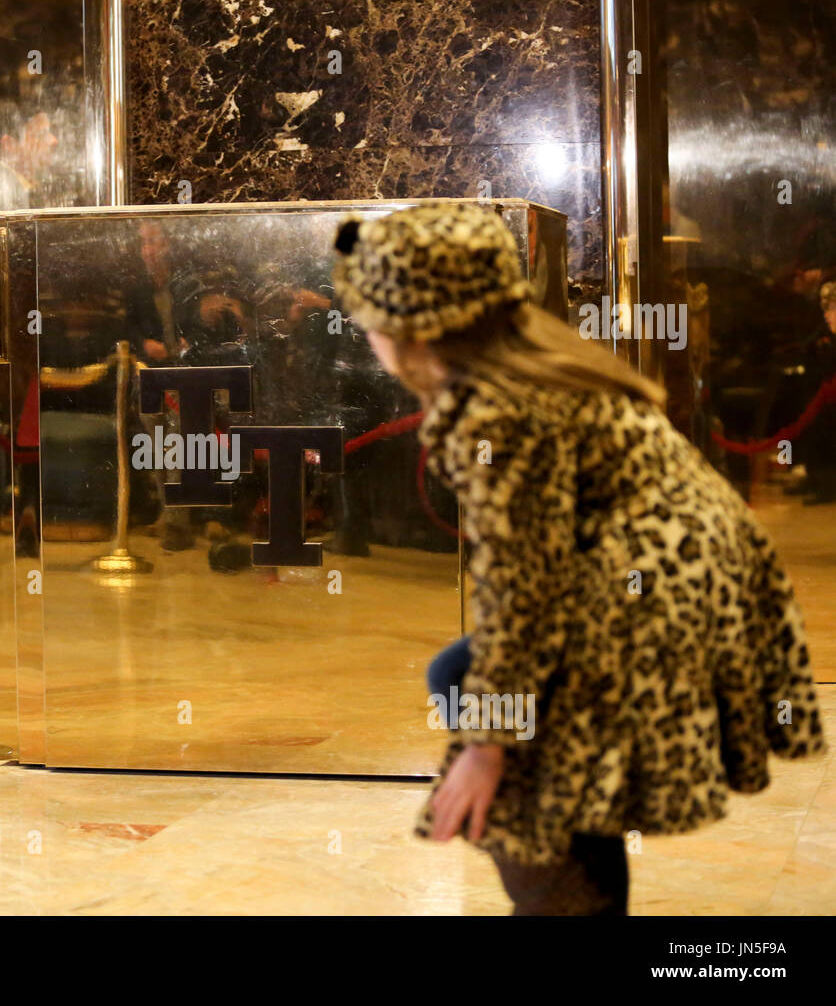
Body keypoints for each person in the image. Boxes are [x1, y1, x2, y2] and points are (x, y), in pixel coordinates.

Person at [332, 202, 826, 915]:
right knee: (460, 676)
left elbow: (522, 589)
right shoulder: (539, 357)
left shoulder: (491, 407)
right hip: (698, 580)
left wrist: (487, 747)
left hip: (654, 595)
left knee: (519, 769)